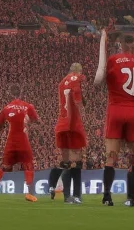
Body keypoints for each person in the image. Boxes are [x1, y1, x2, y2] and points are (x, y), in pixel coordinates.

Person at [94, 30, 134, 207]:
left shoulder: (112, 60)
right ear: (133, 45)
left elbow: (100, 78)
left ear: (121, 45)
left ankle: (107, 197)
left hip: (116, 110)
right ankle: (133, 197)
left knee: (111, 156)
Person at [0, 85, 39, 203]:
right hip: (23, 142)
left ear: (10, 94)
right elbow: (36, 120)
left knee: (4, 167)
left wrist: (3, 126)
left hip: (11, 143)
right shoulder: (28, 106)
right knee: (28, 165)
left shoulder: (6, 109)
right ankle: (29, 194)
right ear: (21, 94)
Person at [48, 63, 86, 204]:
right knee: (76, 162)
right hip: (73, 123)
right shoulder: (77, 78)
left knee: (65, 162)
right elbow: (77, 97)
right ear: (78, 71)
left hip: (62, 122)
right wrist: (81, 105)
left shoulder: (61, 82)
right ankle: (74, 195)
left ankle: (56, 187)